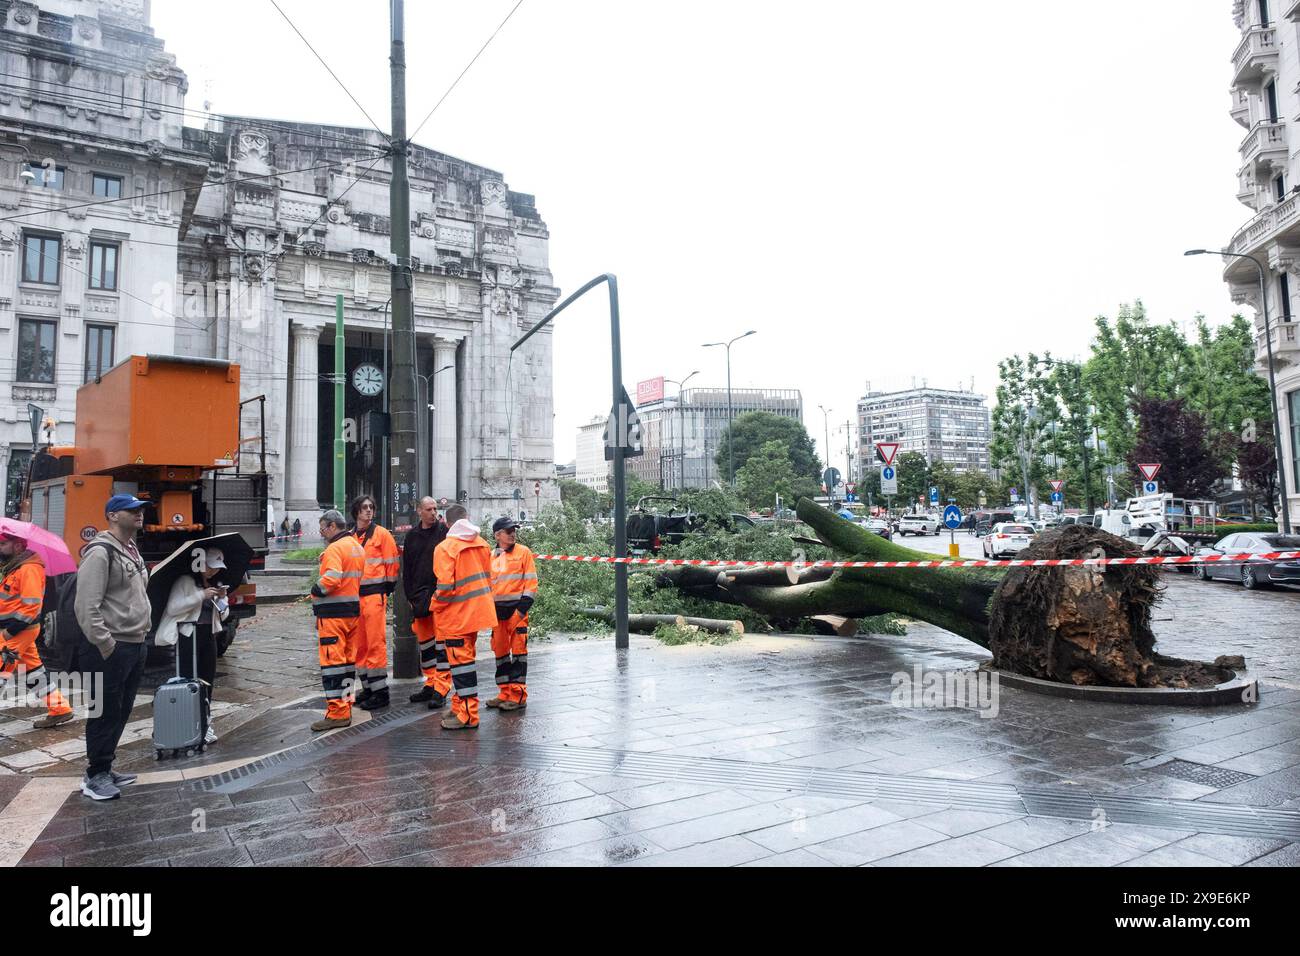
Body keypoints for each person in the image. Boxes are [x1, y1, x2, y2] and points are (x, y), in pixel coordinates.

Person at [74, 494, 152, 801]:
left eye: (140, 509)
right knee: (104, 711)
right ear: (112, 515)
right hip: (110, 647)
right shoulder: (100, 552)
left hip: (135, 642)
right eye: (132, 510)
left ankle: (106, 766)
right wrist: (106, 644)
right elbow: (86, 606)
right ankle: (95, 775)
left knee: (121, 710)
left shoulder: (130, 549)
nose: (139, 514)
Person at [156, 547, 230, 745]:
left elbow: (224, 615)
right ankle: (188, 723)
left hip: (208, 636)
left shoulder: (216, 584)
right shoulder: (186, 581)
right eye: (209, 566)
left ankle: (205, 723)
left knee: (208, 681)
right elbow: (173, 608)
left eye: (216, 568)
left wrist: (222, 599)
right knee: (189, 680)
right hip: (189, 635)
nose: (213, 571)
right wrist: (201, 596)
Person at [0, 530, 73, 729]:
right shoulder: (13, 567)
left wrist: (9, 632)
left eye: (2, 544)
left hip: (16, 631)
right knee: (33, 672)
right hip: (17, 630)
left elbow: (31, 606)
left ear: (17, 545)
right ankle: (60, 709)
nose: (0, 549)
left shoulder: (28, 569)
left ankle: (59, 709)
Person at [432, 505, 496, 730]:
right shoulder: (483, 544)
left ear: (447, 524)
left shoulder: (445, 548)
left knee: (461, 667)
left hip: (456, 616)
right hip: (477, 613)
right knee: (464, 662)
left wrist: (434, 604)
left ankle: (468, 715)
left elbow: (445, 587)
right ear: (467, 519)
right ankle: (460, 707)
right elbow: (489, 578)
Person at [310, 509, 364, 731]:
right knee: (347, 664)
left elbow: (331, 578)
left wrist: (316, 588)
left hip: (333, 615)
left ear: (333, 526)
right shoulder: (356, 546)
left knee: (332, 665)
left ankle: (337, 713)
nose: (322, 533)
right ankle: (346, 705)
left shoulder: (334, 548)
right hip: (352, 613)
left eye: (323, 528)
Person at [349, 495, 400, 710]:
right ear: (356, 512)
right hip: (357, 597)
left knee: (375, 643)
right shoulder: (351, 537)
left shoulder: (382, 534)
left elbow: (392, 564)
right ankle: (368, 688)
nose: (368, 511)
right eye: (364, 507)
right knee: (360, 645)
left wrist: (386, 590)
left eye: (371, 507)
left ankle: (381, 693)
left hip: (374, 596)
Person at [403, 497, 449, 707]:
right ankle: (430, 683)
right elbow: (408, 570)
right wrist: (411, 597)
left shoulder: (444, 532)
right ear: (419, 511)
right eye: (429, 509)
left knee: (441, 646)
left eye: (435, 509)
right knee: (426, 645)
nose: (433, 512)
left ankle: (441, 688)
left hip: (439, 597)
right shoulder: (412, 536)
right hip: (419, 598)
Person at [488, 517, 537, 712]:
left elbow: (531, 585)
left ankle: (518, 695)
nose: (512, 534)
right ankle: (504, 692)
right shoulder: (491, 556)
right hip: (496, 614)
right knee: (500, 654)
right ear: (497, 535)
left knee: (518, 655)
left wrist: (520, 612)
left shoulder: (523, 552)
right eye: (508, 531)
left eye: (513, 530)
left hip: (517, 612)